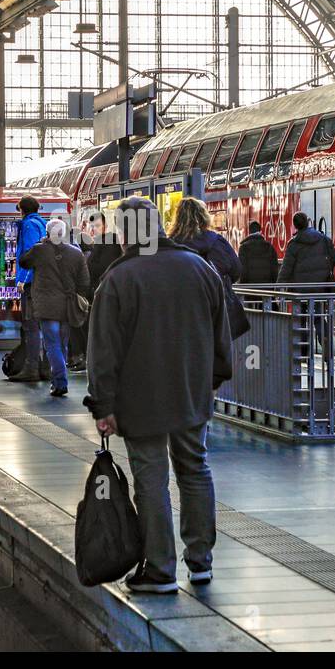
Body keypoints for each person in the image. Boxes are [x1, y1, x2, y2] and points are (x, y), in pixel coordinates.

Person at [85, 197, 233, 593]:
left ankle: (161, 569)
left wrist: (103, 404)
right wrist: (214, 378)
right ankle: (201, 562)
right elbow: (223, 332)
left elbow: (103, 351)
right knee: (195, 468)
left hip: (140, 398)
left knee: (150, 478)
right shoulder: (200, 268)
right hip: (191, 392)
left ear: (123, 234)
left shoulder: (118, 279)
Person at [19, 218, 89, 397]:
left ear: (48, 233)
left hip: (46, 305)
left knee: (52, 344)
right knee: (63, 344)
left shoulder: (39, 250)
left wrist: (40, 242)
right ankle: (59, 379)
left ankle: (60, 381)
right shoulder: (76, 253)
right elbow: (84, 281)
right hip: (67, 305)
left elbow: (23, 262)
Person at [171, 197, 250, 339]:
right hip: (215, 312)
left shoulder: (170, 244)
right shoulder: (216, 242)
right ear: (204, 217)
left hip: (180, 314)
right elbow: (236, 270)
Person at [70, 210, 122, 372]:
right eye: (91, 227)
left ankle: (87, 358)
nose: (93, 230)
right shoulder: (102, 243)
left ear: (106, 226)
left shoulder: (107, 244)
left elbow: (98, 268)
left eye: (97, 226)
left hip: (98, 292)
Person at [9, 196, 48, 382]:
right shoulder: (42, 223)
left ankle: (32, 368)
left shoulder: (29, 225)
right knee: (42, 326)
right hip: (41, 282)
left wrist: (23, 280)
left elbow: (32, 253)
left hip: (31, 283)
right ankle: (45, 367)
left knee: (30, 326)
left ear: (21, 210)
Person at [277, 211, 335, 285]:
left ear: (295, 226)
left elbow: (286, 270)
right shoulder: (324, 239)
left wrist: (277, 289)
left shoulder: (293, 244)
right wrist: (325, 266)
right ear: (307, 222)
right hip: (322, 288)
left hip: (299, 291)